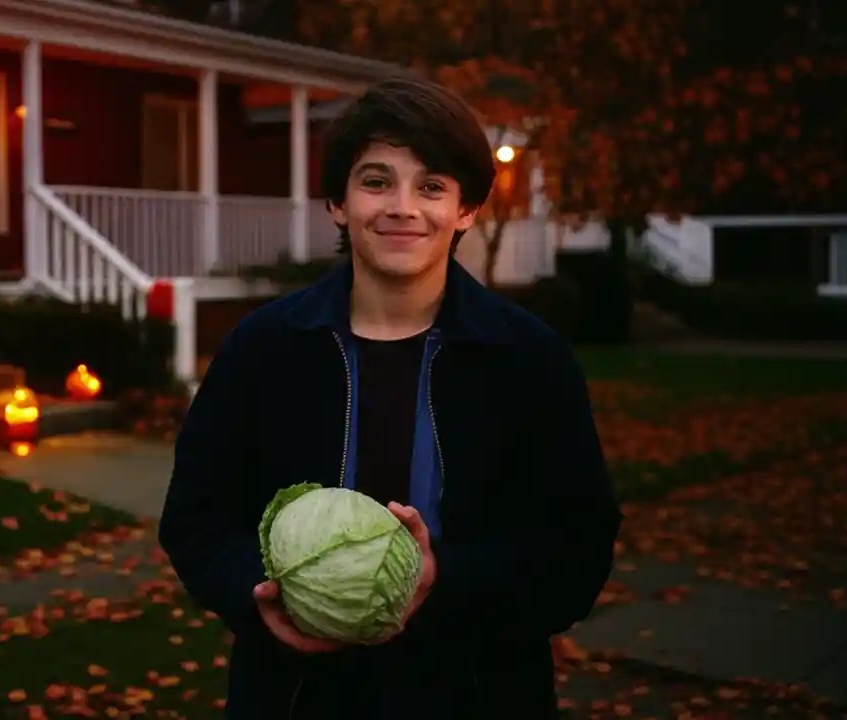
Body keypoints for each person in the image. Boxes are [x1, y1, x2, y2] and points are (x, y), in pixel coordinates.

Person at [157, 74, 622, 719]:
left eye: (431, 186)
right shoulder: (263, 348)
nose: (403, 206)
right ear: (339, 203)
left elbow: (576, 548)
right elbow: (195, 519)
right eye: (376, 181)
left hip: (476, 693)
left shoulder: (527, 359)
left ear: (465, 210)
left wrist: (445, 580)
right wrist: (253, 596)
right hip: (295, 697)